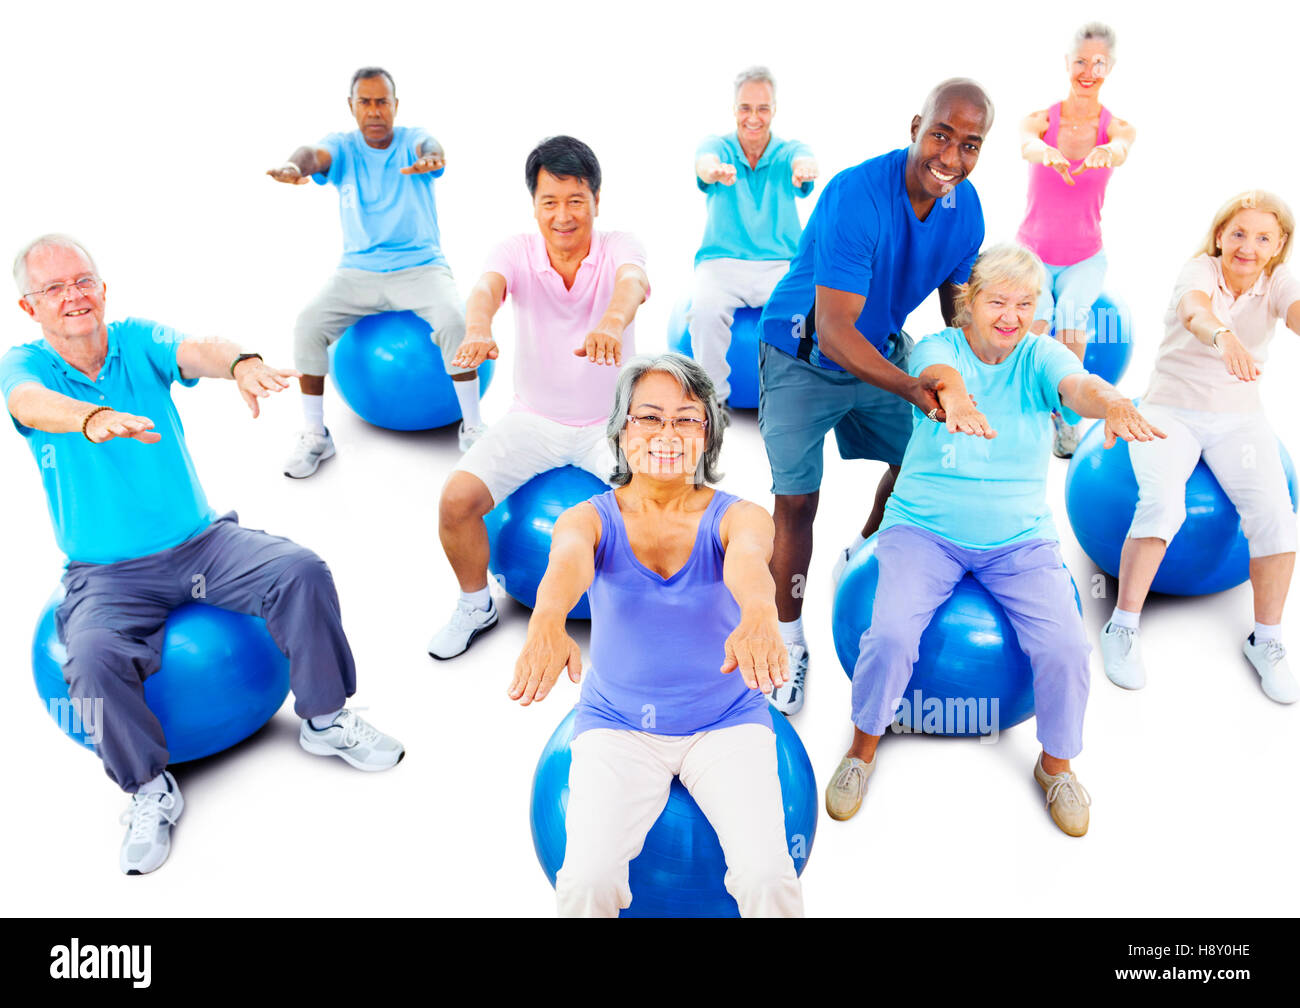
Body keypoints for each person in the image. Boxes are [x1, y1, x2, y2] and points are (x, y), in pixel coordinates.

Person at [1, 235, 405, 876]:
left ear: (102, 290)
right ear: (30, 308)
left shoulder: (134, 340)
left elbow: (195, 349)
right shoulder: (23, 366)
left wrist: (241, 362)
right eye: (53, 289)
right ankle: (146, 789)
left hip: (202, 545)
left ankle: (325, 718)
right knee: (89, 660)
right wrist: (88, 417)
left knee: (301, 571)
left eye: (82, 281)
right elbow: (27, 403)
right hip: (106, 576)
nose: (72, 296)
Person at [824, 244, 1164, 837]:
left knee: (1066, 648)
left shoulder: (1038, 355)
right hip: (924, 529)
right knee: (892, 633)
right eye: (997, 301)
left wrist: (1109, 402)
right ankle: (860, 751)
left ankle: (1056, 768)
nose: (1010, 314)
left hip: (1018, 538)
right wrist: (954, 399)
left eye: (1025, 303)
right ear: (969, 303)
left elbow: (1077, 383)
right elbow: (938, 376)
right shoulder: (939, 346)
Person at [508, 352, 803, 917]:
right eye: (650, 417)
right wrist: (546, 619)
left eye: (687, 419)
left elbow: (748, 560)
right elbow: (566, 564)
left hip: (725, 722)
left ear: (709, 436)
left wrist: (762, 611)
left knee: (768, 875)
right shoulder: (588, 517)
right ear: (622, 430)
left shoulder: (739, 515)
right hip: (618, 726)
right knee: (586, 883)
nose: (667, 432)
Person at [757, 78, 992, 714]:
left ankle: (859, 550)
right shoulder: (857, 194)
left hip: (880, 350)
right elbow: (835, 334)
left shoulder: (964, 210)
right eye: (941, 134)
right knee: (797, 506)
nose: (951, 156)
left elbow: (957, 308)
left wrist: (979, 371)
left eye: (969, 144)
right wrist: (918, 386)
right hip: (801, 354)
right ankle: (786, 641)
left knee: (919, 459)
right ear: (916, 126)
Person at [428, 136, 650, 660]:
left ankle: (649, 617)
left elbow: (632, 283)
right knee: (455, 501)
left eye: (576, 201)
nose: (563, 215)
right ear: (534, 205)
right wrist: (478, 330)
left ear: (596, 200)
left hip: (612, 425)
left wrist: (612, 324)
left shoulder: (620, 244)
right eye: (550, 202)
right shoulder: (516, 251)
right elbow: (486, 289)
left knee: (667, 513)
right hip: (534, 422)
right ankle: (475, 604)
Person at [1099, 191, 1300, 703]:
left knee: (1278, 515)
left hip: (1240, 421)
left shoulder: (1278, 281)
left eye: (1262, 238)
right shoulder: (1200, 271)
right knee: (1164, 504)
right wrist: (1224, 339)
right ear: (1219, 236)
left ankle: (1267, 640)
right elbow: (1194, 312)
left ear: (1279, 247)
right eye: (1238, 234)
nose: (1248, 247)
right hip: (1169, 411)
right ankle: (1121, 626)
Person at [268, 66, 481, 477]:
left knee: (456, 319)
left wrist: (432, 156)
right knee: (307, 325)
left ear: (395, 105)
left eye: (382, 101)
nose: (374, 110)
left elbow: (429, 145)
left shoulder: (411, 142)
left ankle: (472, 428)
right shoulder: (343, 148)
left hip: (420, 267)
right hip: (357, 273)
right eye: (364, 102)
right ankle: (315, 435)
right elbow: (314, 154)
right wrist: (297, 167)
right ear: (352, 107)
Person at [1016, 22, 1137, 458]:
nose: (1089, 70)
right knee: (1037, 324)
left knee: (1070, 321)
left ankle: (1067, 422)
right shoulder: (1041, 119)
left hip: (1085, 257)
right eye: (1081, 61)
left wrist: (1109, 152)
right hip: (1031, 253)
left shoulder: (1116, 127)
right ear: (1067, 63)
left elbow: (1122, 146)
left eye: (1099, 63)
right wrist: (1046, 152)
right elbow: (1027, 142)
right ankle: (1025, 416)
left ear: (1111, 67)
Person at [689, 66, 817, 418]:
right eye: (745, 108)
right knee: (703, 311)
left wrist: (805, 169)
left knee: (808, 312)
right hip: (722, 262)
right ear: (734, 110)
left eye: (762, 108)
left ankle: (792, 396)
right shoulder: (718, 147)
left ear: (774, 110)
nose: (754, 117)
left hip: (778, 264)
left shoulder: (789, 151)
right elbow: (704, 162)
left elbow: (805, 160)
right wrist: (713, 171)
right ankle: (712, 401)